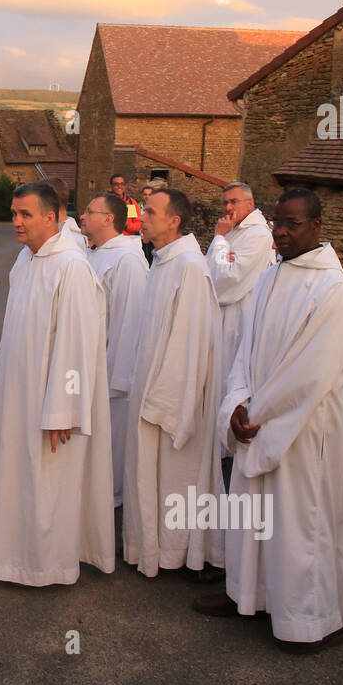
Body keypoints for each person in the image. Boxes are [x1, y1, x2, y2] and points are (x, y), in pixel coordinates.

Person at [195, 190, 343, 653]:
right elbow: (246, 351)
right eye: (277, 223)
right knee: (253, 517)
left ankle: (308, 621)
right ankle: (246, 594)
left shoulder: (333, 291)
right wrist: (235, 402)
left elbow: (310, 373)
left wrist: (256, 414)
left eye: (293, 223)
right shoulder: (272, 277)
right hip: (256, 420)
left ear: (316, 225)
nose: (283, 232)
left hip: (301, 429)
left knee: (298, 524)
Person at [0, 182, 114, 585]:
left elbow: (77, 345)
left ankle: (40, 564)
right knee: (4, 474)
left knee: (44, 481)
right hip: (15, 391)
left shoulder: (71, 268)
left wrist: (63, 410)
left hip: (48, 399)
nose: (16, 222)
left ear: (52, 217)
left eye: (25, 215)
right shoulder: (26, 259)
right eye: (15, 213)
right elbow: (16, 332)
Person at [124, 187, 224, 579]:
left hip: (171, 400)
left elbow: (190, 343)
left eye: (149, 211)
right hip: (150, 387)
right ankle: (150, 545)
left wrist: (165, 404)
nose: (142, 217)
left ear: (174, 220)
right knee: (151, 478)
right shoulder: (163, 262)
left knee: (176, 478)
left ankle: (176, 552)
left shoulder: (190, 268)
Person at [81, 191, 148, 507]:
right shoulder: (96, 253)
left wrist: (115, 376)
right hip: (89, 366)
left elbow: (129, 321)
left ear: (108, 219)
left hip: (112, 372)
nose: (82, 215)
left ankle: (111, 497)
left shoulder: (127, 261)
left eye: (90, 211)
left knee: (112, 441)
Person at [205, 182, 275, 452]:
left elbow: (226, 280)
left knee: (231, 379)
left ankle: (228, 445)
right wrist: (223, 248)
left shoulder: (257, 235)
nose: (228, 208)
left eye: (234, 202)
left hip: (239, 317)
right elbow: (210, 272)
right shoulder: (234, 232)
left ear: (250, 203)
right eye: (224, 203)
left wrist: (220, 241)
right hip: (223, 316)